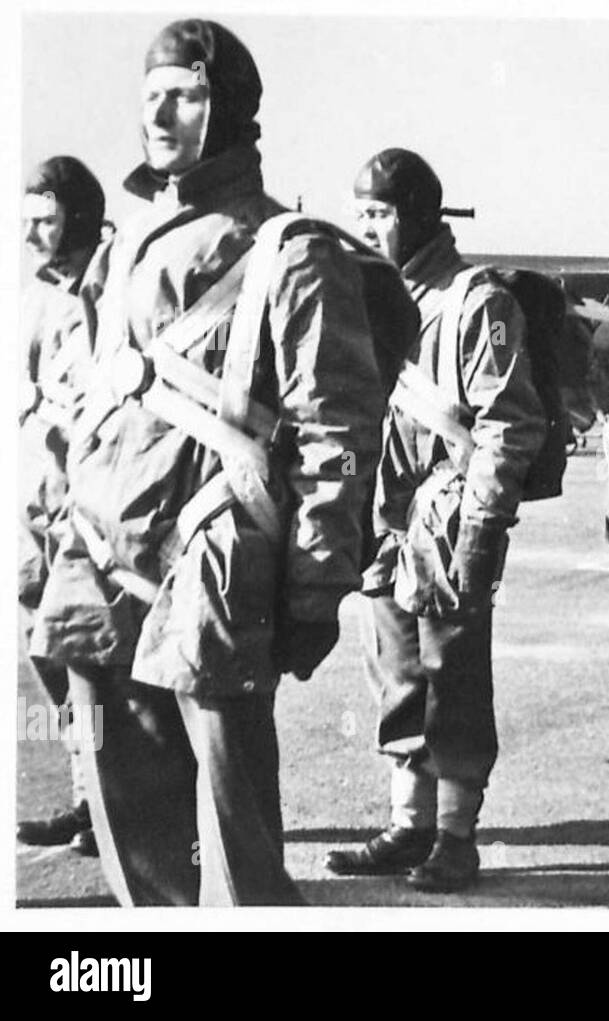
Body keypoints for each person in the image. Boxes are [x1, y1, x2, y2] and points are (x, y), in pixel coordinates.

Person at [28, 19, 388, 906]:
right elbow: (90, 404)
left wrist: (314, 586)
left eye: (184, 94)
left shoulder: (292, 249)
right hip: (105, 552)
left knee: (236, 838)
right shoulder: (119, 250)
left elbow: (335, 429)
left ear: (226, 107)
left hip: (211, 554)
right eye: (149, 96)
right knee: (129, 816)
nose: (160, 114)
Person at [324, 149, 547, 891]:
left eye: (379, 215)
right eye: (359, 216)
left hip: (450, 513)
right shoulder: (370, 298)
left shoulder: (475, 303)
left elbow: (508, 426)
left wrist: (479, 532)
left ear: (419, 216)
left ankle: (456, 836)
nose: (366, 230)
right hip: (387, 520)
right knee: (395, 673)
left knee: (454, 674)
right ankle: (409, 822)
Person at [17, 156, 106, 857]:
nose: (31, 234)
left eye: (44, 220)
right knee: (41, 641)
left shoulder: (114, 285)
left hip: (97, 497)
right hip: (41, 495)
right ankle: (90, 792)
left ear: (76, 216)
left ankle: (104, 801)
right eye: (26, 220)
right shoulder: (34, 295)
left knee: (84, 647)